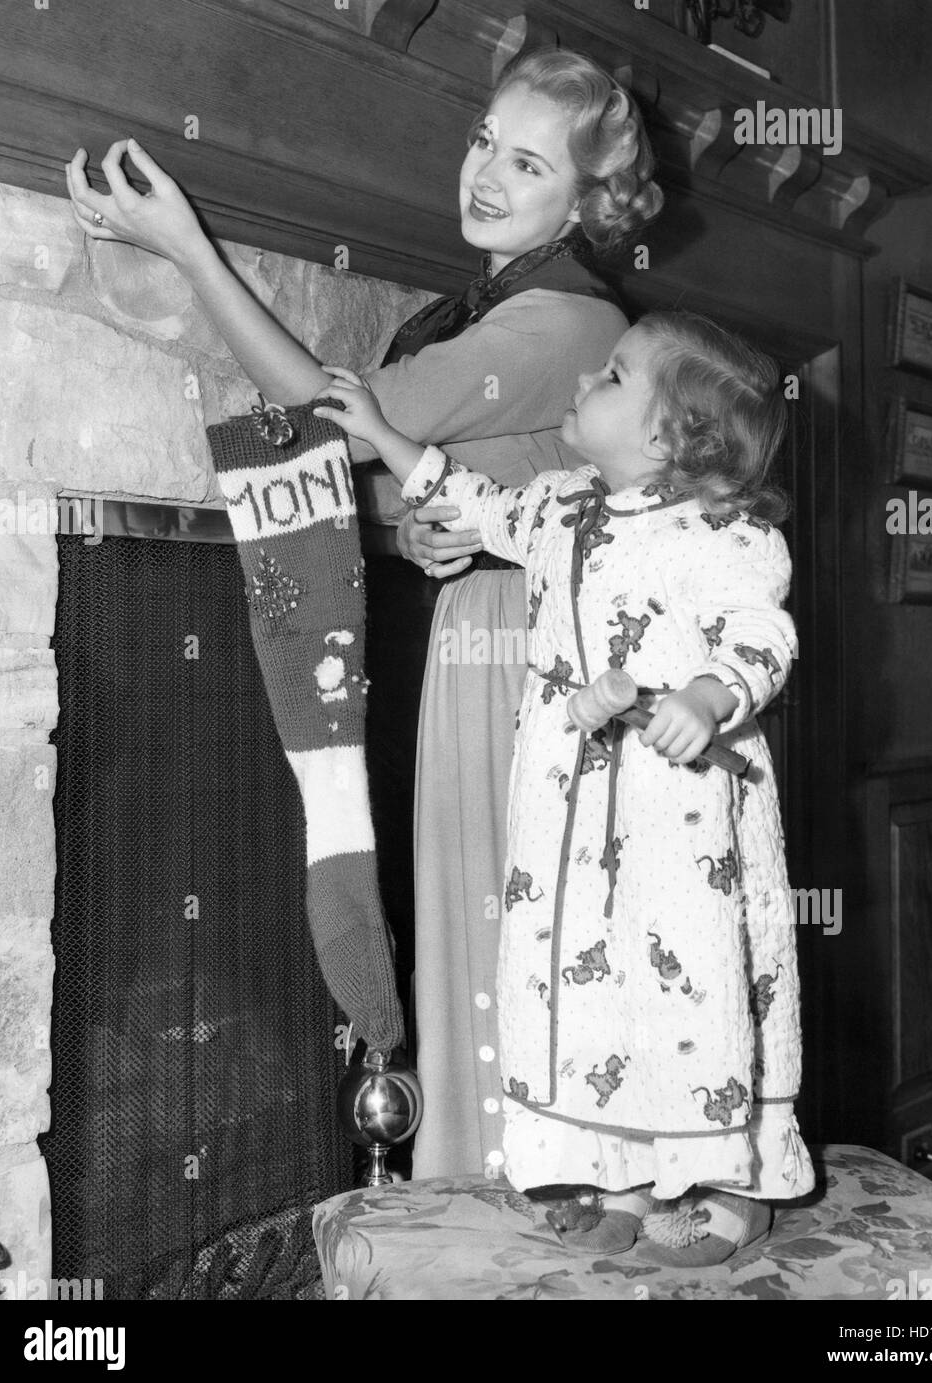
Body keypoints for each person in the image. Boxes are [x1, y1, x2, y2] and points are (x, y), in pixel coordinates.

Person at [64, 48, 664, 1179]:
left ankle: (510, 1209)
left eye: (526, 162)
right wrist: (421, 530)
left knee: (503, 943)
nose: (484, 171)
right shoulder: (512, 309)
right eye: (486, 137)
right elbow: (408, 495)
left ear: (583, 203)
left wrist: (189, 247)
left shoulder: (559, 325)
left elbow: (324, 422)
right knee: (481, 939)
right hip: (474, 644)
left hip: (520, 672)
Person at [311, 307, 817, 1262]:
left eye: (615, 377)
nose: (587, 382)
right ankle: (619, 1174)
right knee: (592, 992)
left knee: (685, 992)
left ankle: (727, 1185)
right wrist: (380, 430)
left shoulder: (725, 533)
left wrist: (709, 697)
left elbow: (765, 635)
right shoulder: (560, 504)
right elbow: (469, 498)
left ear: (671, 437)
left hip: (682, 826)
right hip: (571, 824)